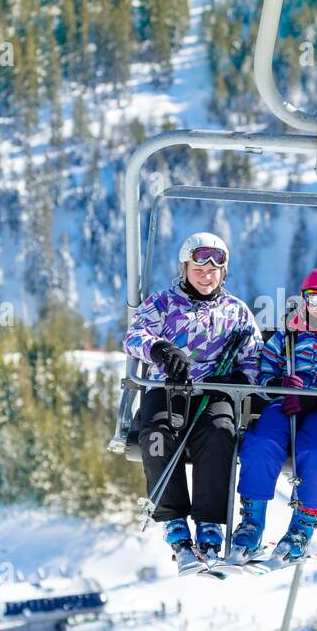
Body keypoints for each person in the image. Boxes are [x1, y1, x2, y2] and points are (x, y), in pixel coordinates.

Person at [123, 232, 262, 572]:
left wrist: (238, 382)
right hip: (168, 388)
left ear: (223, 272)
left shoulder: (236, 312)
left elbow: (254, 359)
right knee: (156, 437)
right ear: (184, 267)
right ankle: (175, 527)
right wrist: (160, 349)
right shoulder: (163, 303)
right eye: (199, 267)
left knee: (220, 433)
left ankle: (209, 525)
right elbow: (134, 336)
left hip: (214, 393)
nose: (206, 274)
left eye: (215, 268)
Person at [232, 268, 317, 563]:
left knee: (315, 448)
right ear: (303, 301)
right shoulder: (288, 336)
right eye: (313, 301)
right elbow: (264, 372)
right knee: (262, 440)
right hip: (285, 404)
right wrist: (278, 386)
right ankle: (252, 521)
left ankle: (302, 526)